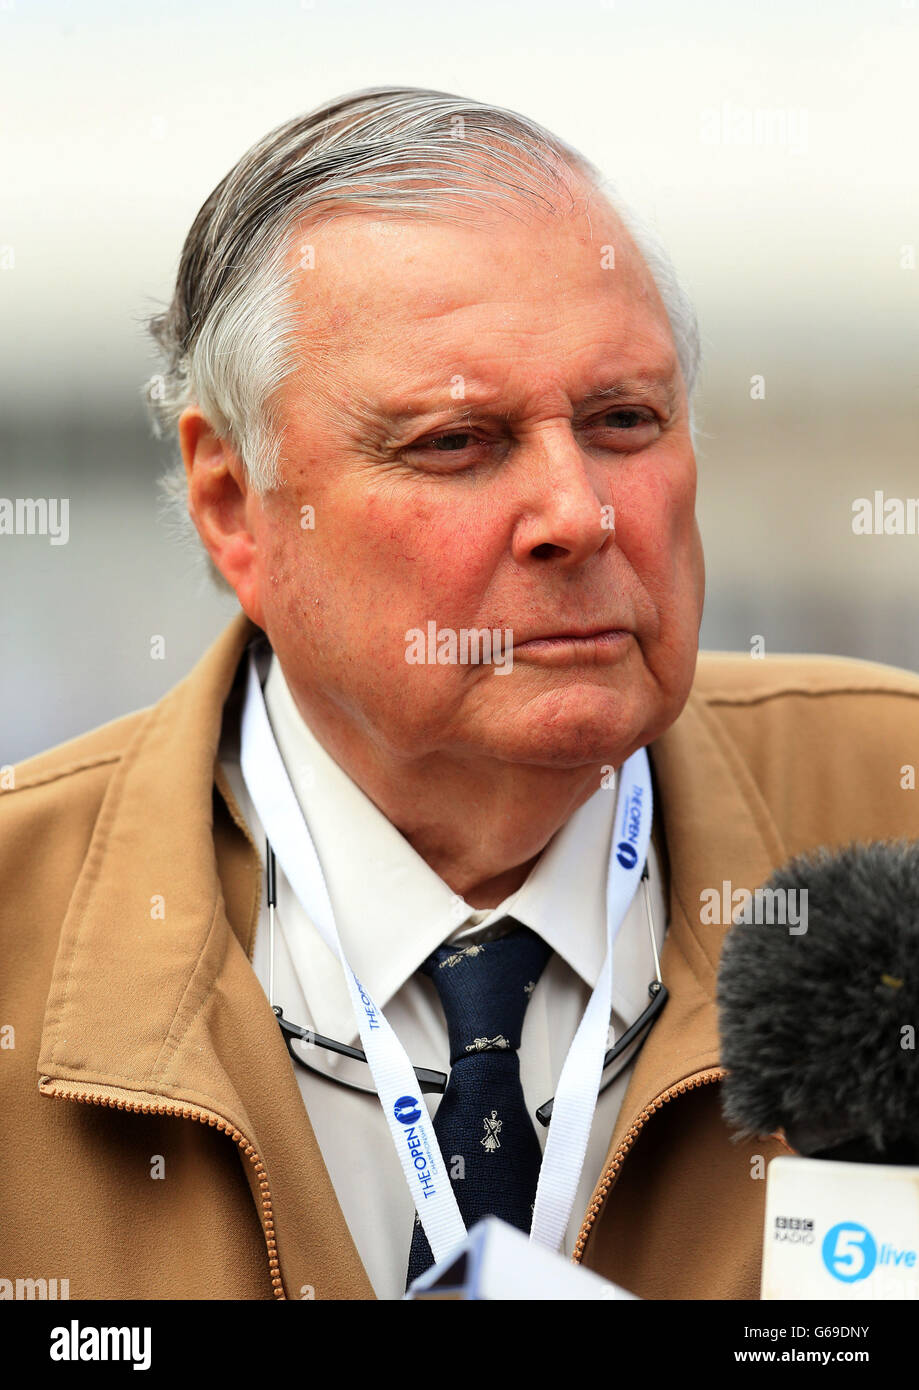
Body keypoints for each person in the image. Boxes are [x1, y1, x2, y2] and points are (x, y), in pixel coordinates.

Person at [2, 85, 918, 1302]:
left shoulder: (888, 810)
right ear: (235, 507)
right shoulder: (25, 929)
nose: (579, 514)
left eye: (623, 421)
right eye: (456, 442)